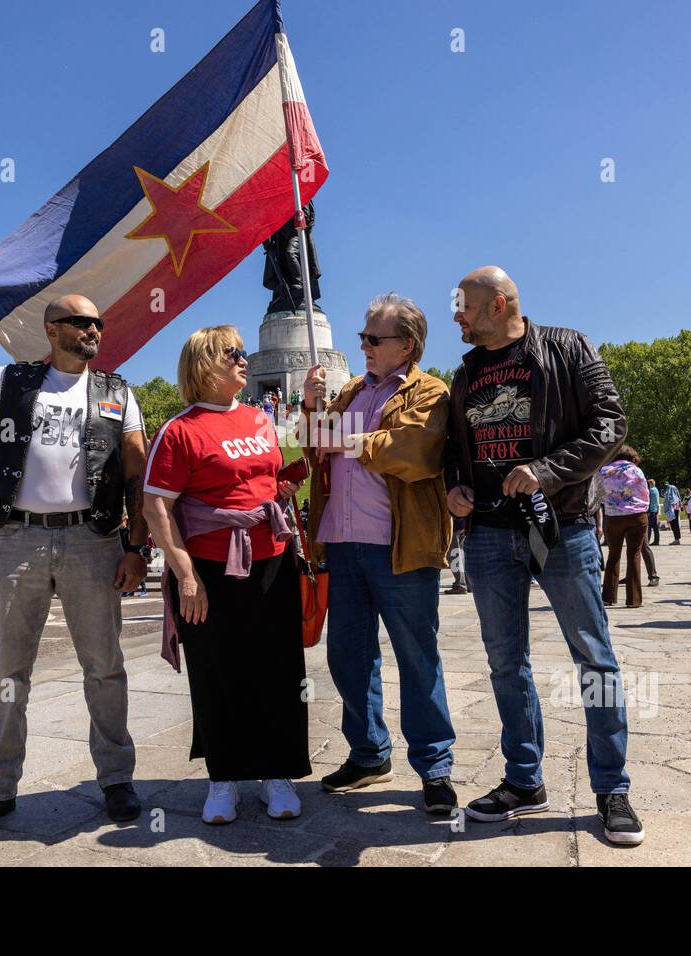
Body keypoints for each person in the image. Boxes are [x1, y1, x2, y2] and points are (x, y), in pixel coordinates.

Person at [0, 271, 146, 837]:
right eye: (80, 321)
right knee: (7, 670)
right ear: (52, 329)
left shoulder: (118, 392)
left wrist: (135, 547)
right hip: (15, 538)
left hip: (91, 540)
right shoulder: (13, 382)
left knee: (105, 667)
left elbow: (138, 477)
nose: (93, 329)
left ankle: (116, 779)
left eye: (97, 322)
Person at [445, 266, 644, 846]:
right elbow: (457, 448)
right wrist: (454, 485)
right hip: (486, 533)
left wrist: (547, 470)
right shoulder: (465, 372)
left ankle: (611, 788)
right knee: (507, 663)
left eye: (466, 306)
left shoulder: (568, 346)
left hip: (562, 527)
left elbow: (611, 423)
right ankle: (524, 780)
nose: (457, 315)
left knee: (594, 658)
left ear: (500, 303)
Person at [144, 325, 309, 825]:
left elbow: (269, 478)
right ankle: (223, 777)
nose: (244, 359)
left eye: (242, 352)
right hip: (211, 567)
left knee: (279, 668)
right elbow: (157, 507)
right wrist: (185, 575)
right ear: (204, 365)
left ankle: (276, 772)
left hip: (273, 558)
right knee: (218, 669)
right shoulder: (180, 430)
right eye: (233, 353)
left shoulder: (260, 419)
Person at [302, 293, 459, 816]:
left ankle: (434, 766)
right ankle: (369, 753)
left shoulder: (431, 390)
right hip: (343, 543)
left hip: (401, 546)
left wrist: (344, 436)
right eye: (363, 337)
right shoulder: (347, 392)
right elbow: (311, 443)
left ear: (407, 344)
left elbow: (412, 452)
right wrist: (311, 407)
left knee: (417, 658)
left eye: (374, 338)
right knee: (348, 656)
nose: (364, 345)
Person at [598, 445, 650, 608]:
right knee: (634, 554)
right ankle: (634, 600)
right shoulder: (636, 471)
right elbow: (645, 494)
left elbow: (599, 495)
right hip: (637, 516)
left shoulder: (604, 471)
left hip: (614, 516)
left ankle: (608, 597)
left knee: (613, 555)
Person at [646, 479, 661, 546]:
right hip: (655, 510)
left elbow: (649, 501)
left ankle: (647, 541)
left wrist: (648, 511)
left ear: (650, 484)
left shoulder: (651, 490)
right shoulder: (656, 490)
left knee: (649, 526)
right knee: (655, 527)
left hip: (651, 510)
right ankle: (656, 541)